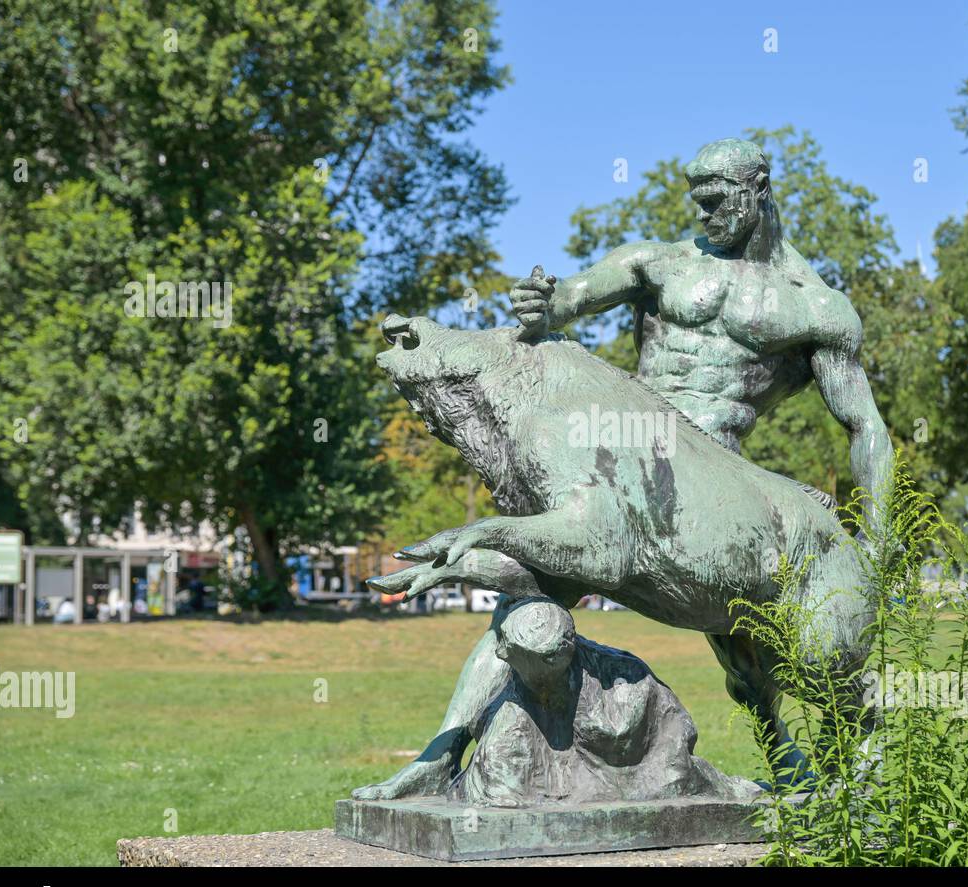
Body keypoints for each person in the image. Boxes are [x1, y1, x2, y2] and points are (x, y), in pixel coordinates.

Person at [354, 138, 893, 800]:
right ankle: (436, 761)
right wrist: (541, 305)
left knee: (757, 662)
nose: (704, 214)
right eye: (695, 200)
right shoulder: (656, 263)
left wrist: (878, 540)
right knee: (526, 597)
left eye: (717, 200)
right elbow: (573, 296)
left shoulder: (815, 306)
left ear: (759, 191)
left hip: (711, 474)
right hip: (622, 450)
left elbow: (866, 426)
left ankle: (806, 762)